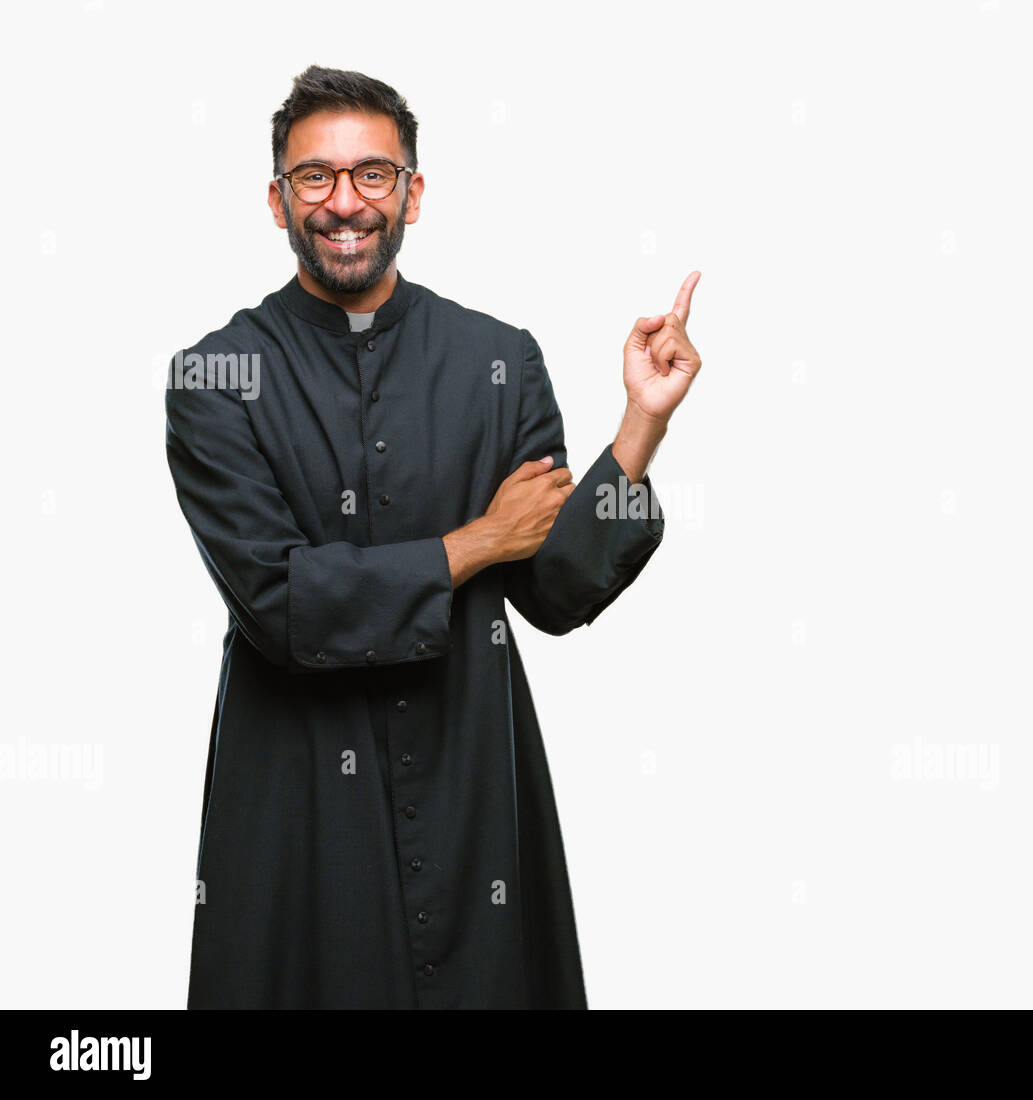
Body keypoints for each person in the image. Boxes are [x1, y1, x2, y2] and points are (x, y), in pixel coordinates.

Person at [164, 65, 702, 1009]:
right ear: (277, 200)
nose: (344, 203)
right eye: (315, 177)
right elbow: (284, 604)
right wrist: (480, 542)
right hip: (298, 801)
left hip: (469, 783)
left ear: (412, 193)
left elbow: (556, 592)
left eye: (373, 174)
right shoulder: (214, 377)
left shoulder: (499, 359)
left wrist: (640, 428)